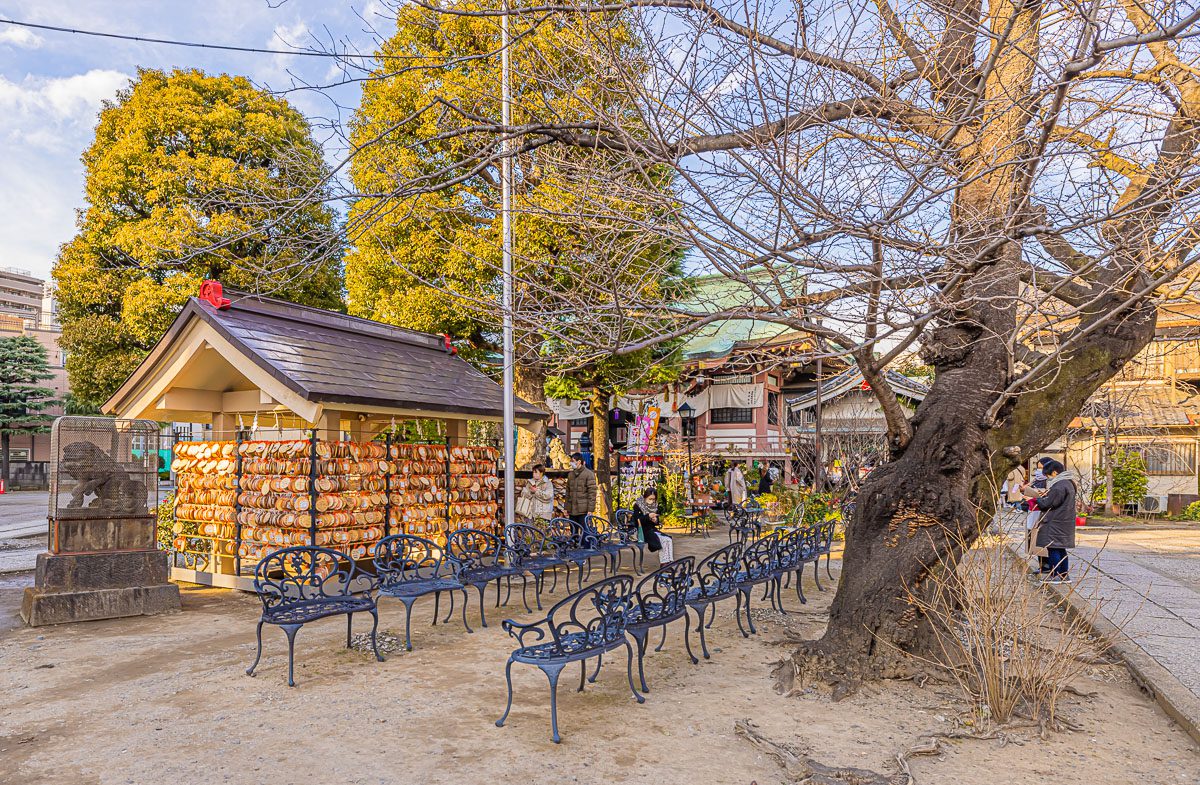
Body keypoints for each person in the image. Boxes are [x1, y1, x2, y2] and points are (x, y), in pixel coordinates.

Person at [1032, 459, 1077, 584]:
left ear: (1055, 473)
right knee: (1061, 549)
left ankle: (1056, 575)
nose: (1047, 477)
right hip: (1064, 521)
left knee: (1053, 548)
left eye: (1048, 475)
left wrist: (1037, 499)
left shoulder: (1059, 485)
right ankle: (1064, 575)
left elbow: (1049, 503)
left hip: (1055, 522)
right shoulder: (1068, 482)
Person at [633, 488, 672, 564]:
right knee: (663, 540)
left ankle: (669, 562)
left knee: (668, 540)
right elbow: (637, 521)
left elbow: (656, 521)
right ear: (645, 497)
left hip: (652, 530)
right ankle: (664, 563)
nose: (652, 501)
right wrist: (648, 516)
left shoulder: (654, 506)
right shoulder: (638, 505)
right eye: (650, 499)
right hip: (642, 531)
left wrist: (655, 520)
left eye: (654, 499)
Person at [566, 452, 597, 525]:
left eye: (573, 461)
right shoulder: (571, 475)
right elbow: (568, 492)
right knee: (573, 532)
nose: (571, 463)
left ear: (579, 462)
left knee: (584, 531)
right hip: (572, 510)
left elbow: (592, 493)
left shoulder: (589, 474)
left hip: (583, 510)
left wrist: (590, 509)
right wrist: (566, 508)